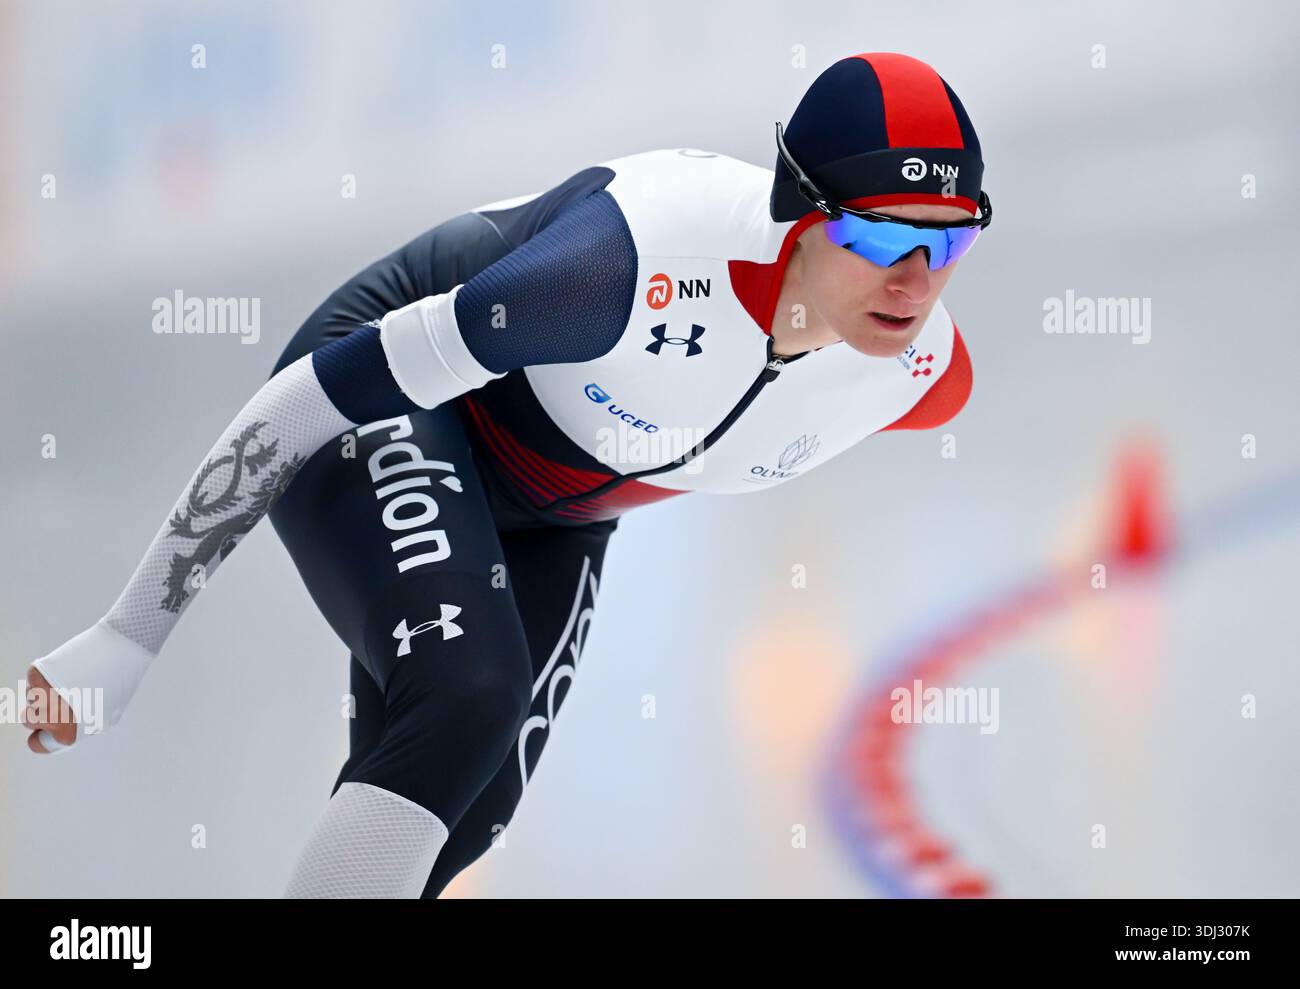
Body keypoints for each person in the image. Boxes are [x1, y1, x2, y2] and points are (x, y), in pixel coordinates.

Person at [23, 51, 992, 897]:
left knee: (470, 810)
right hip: (402, 406)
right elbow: (309, 398)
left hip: (559, 512)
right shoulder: (616, 273)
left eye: (947, 238)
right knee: (466, 700)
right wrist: (129, 632)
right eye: (875, 234)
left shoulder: (921, 375)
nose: (911, 279)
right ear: (796, 208)